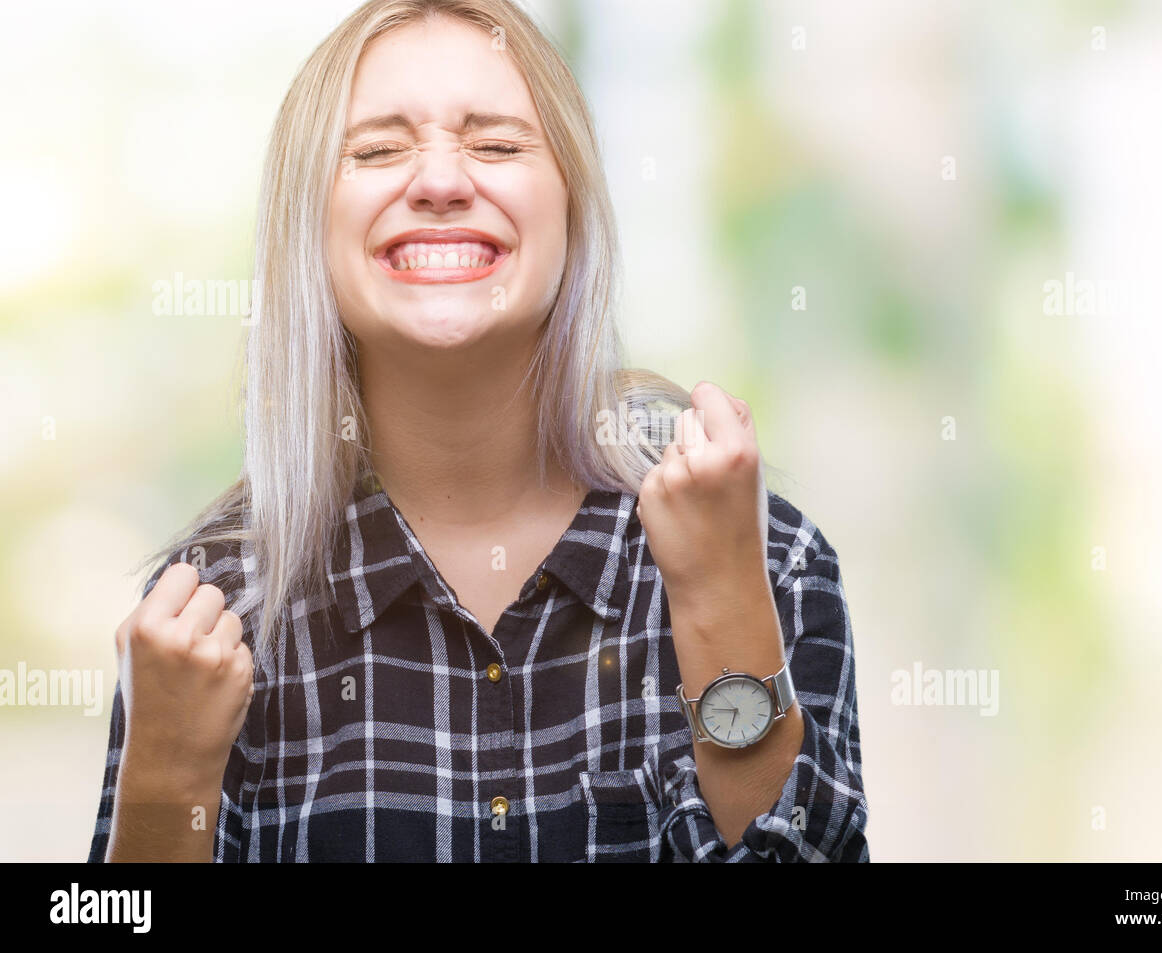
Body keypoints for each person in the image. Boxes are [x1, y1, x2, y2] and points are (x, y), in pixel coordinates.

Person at [89, 0, 869, 862]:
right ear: (309, 227)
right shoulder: (210, 616)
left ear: (572, 210)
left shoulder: (769, 560)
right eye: (378, 150)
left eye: (496, 144)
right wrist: (163, 780)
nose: (439, 182)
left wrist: (724, 604)